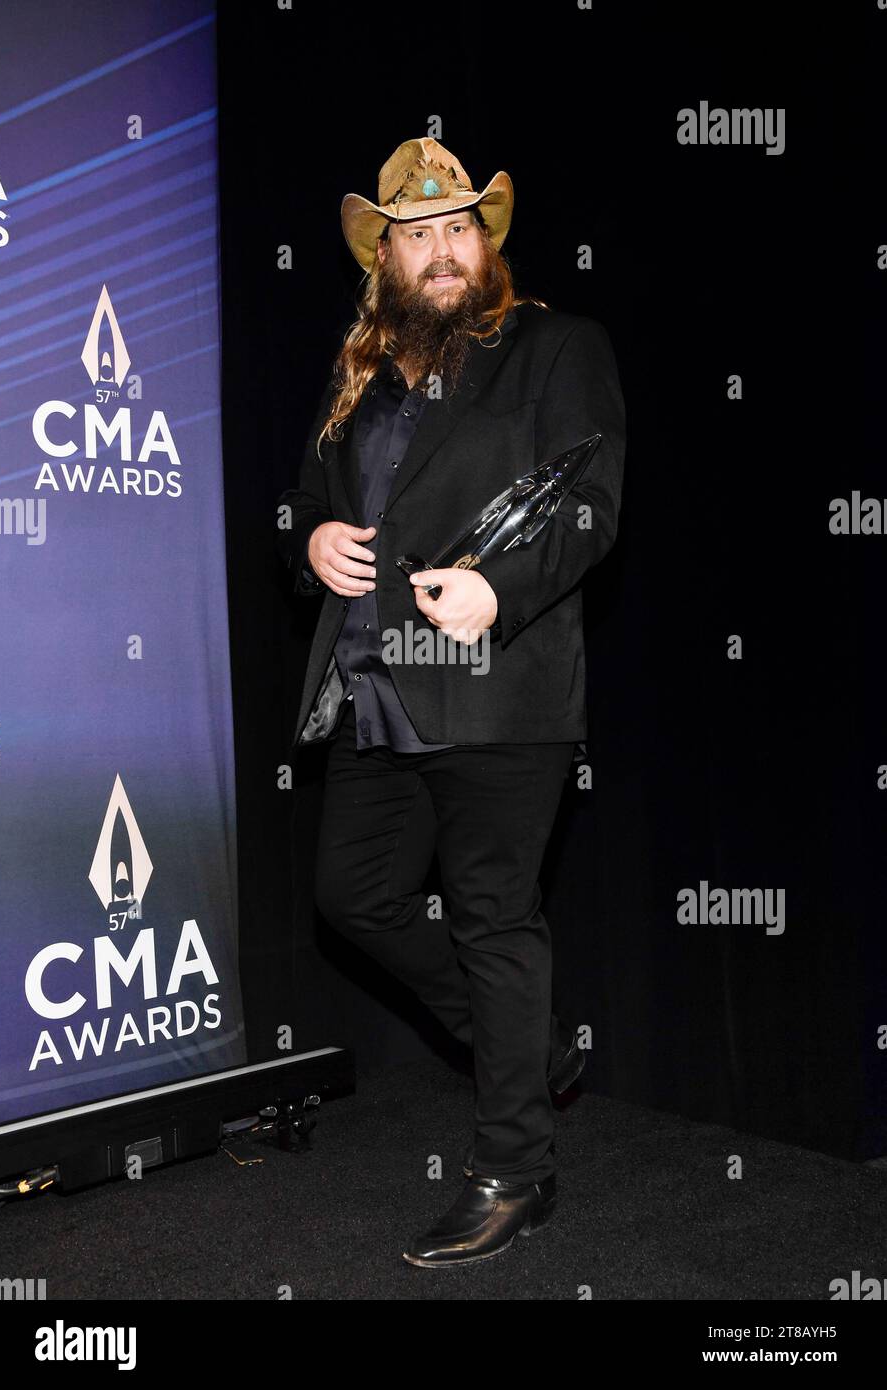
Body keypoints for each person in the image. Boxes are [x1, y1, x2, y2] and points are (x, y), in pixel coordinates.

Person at [276, 137, 626, 1266]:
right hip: (375, 687)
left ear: (487, 244)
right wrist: (312, 540)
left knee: (491, 921)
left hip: (497, 689)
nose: (438, 248)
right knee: (352, 895)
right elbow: (304, 505)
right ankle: (528, 1054)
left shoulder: (555, 347)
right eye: (413, 234)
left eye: (456, 227)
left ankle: (513, 1171)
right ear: (386, 260)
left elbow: (591, 506)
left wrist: (497, 588)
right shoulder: (359, 374)